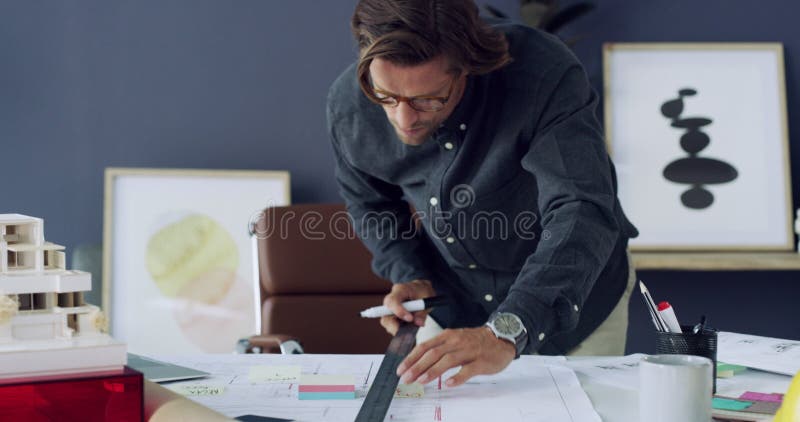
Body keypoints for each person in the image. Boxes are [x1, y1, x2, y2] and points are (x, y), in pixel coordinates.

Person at [326, 0, 638, 388]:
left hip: (576, 302)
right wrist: (410, 273)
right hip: (453, 306)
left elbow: (581, 207)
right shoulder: (349, 107)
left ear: (468, 65)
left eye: (429, 99)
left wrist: (508, 328)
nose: (403, 119)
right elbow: (370, 203)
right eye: (386, 97)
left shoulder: (543, 73)